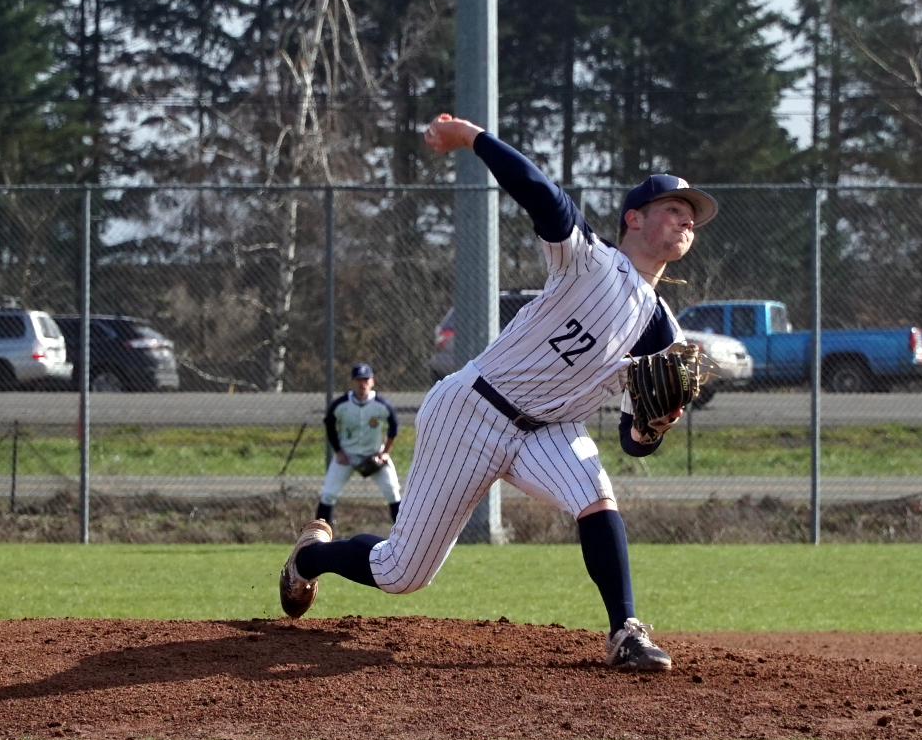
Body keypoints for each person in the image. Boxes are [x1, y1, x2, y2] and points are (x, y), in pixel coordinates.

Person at [279, 113, 716, 672]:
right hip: (474, 411)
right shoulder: (589, 260)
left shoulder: (663, 333)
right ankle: (310, 557)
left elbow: (635, 443)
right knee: (401, 574)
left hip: (551, 432)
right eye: (674, 210)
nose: (686, 222)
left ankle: (624, 631)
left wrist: (649, 428)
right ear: (635, 217)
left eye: (692, 218)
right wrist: (474, 139)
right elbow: (542, 195)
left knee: (596, 493)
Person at [317, 363, 402, 525]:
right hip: (348, 456)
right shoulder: (341, 404)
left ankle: (405, 540)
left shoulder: (381, 405)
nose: (362, 384)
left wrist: (385, 452)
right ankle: (318, 540)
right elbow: (329, 424)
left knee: (393, 493)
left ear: (372, 382)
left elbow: (394, 426)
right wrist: (338, 451)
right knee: (328, 494)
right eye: (358, 380)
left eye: (365, 380)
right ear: (352, 382)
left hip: (374, 455)